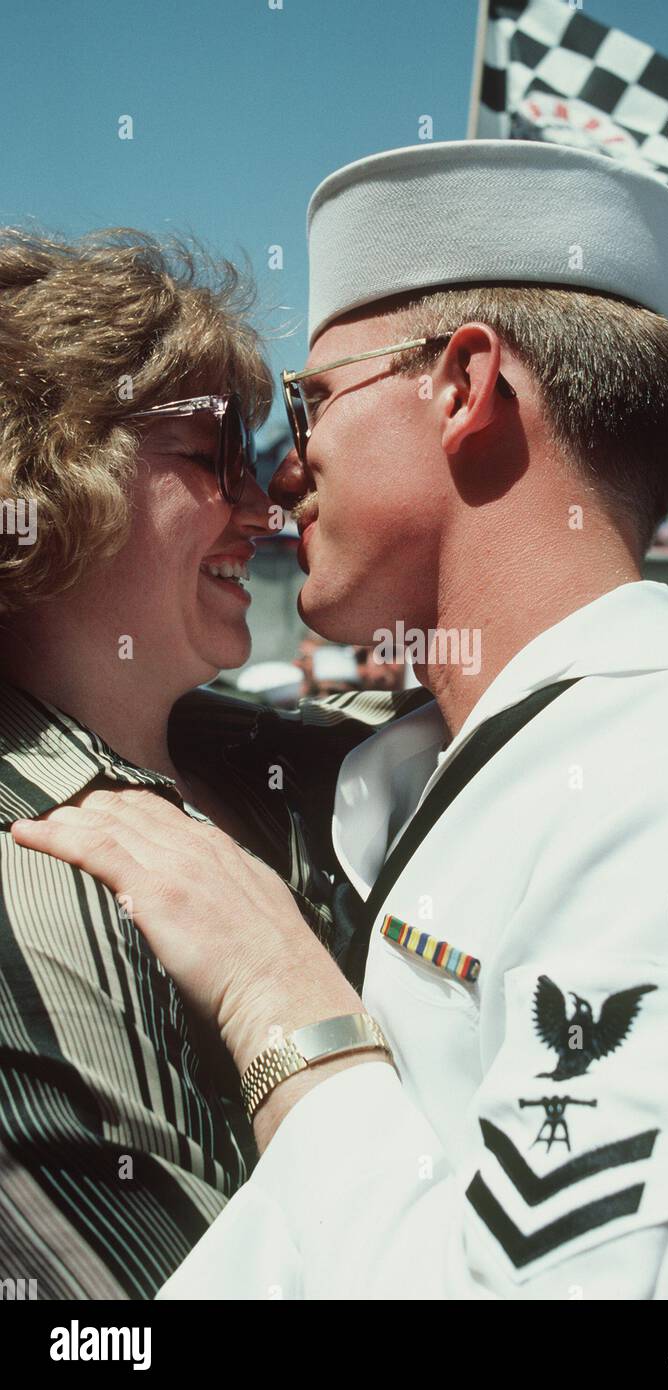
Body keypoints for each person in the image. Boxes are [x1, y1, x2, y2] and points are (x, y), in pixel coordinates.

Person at [12, 142, 668, 1300]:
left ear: (462, 387)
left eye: (306, 408)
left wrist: (285, 1010)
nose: (281, 477)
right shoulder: (457, 764)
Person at [0, 228, 339, 1298]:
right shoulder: (27, 886)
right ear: (49, 473)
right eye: (212, 459)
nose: (265, 505)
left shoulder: (279, 755)